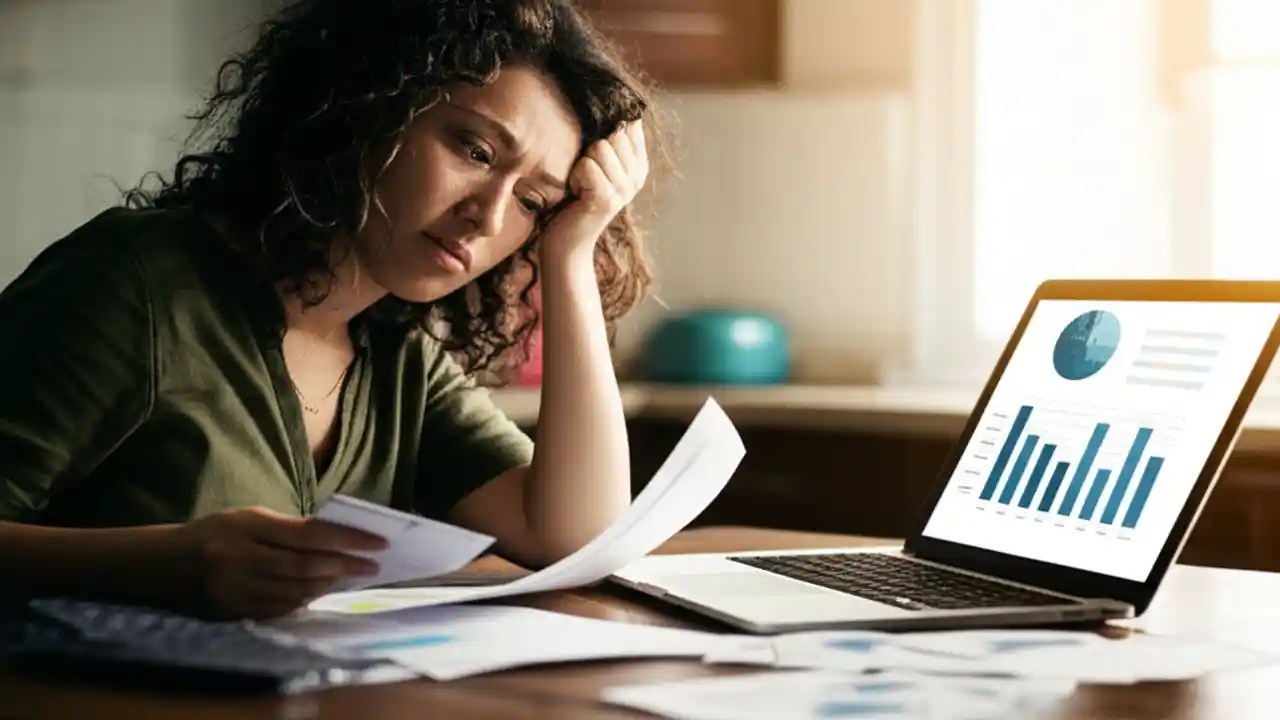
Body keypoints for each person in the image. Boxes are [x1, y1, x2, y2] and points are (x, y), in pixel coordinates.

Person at [0, 0, 657, 619]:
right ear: (371, 105)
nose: (486, 218)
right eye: (475, 151)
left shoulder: (398, 358)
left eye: (532, 203)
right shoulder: (136, 282)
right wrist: (169, 563)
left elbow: (576, 539)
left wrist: (570, 253)